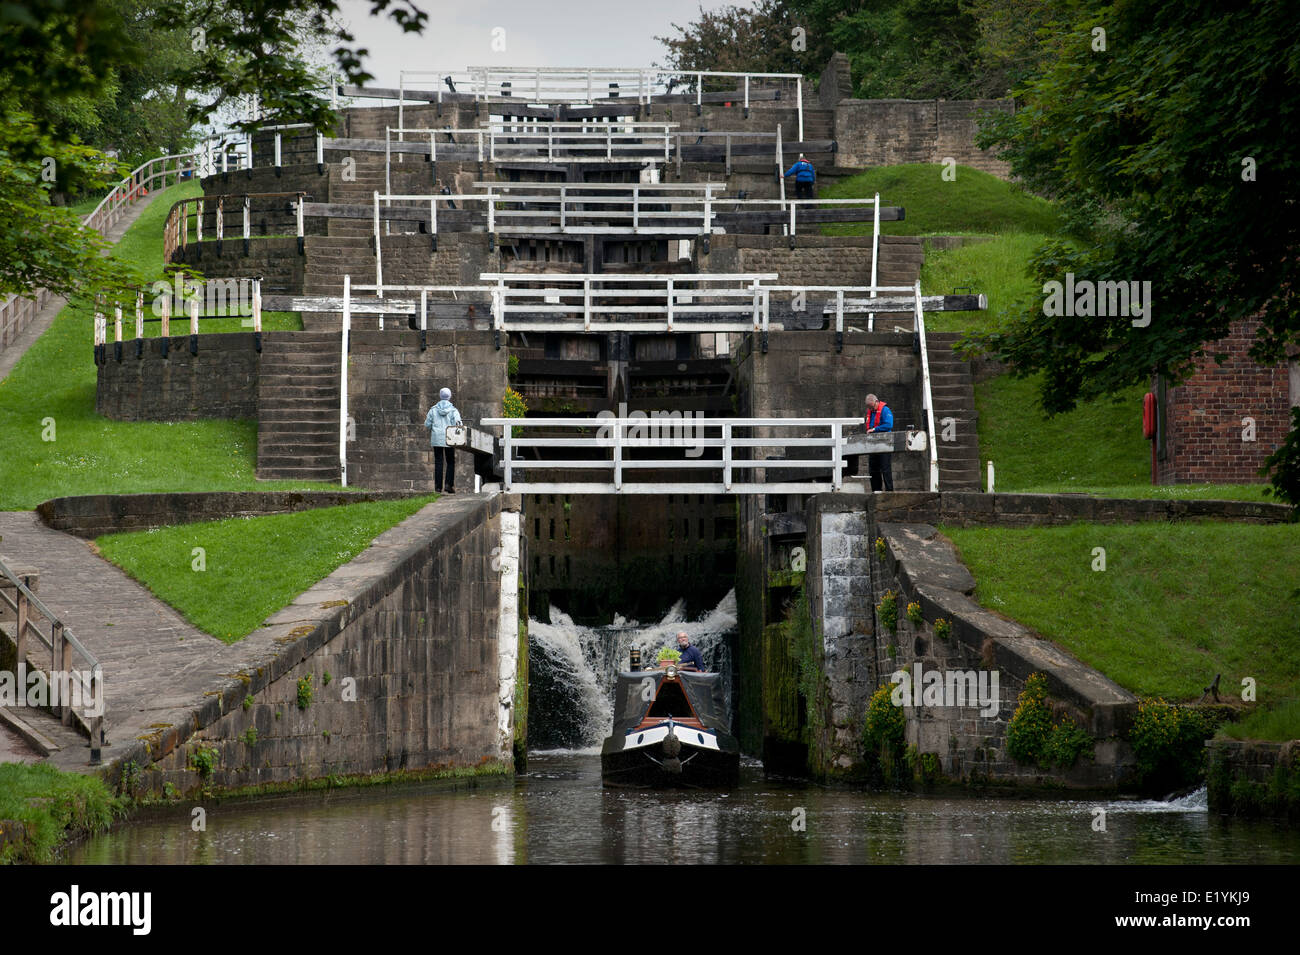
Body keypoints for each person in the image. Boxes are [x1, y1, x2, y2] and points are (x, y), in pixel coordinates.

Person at [423, 387, 463, 493]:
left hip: (436, 438)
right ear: (449, 397)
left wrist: (434, 427)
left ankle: (438, 487)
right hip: (449, 438)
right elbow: (458, 424)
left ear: (440, 396)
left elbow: (427, 424)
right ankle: (448, 485)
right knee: (450, 461)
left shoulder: (433, 410)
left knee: (438, 462)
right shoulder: (453, 411)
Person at [864, 393, 893, 492]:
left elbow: (889, 425)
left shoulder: (885, 410)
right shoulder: (870, 412)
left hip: (885, 443)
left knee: (886, 469)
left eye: (872, 407)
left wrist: (875, 429)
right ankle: (876, 491)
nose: (871, 409)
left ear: (876, 402)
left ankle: (889, 491)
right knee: (873, 469)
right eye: (869, 408)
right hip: (873, 444)